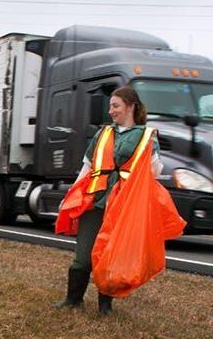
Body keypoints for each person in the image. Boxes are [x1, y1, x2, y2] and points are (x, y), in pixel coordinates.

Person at [54, 86, 163, 316]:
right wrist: (70, 195)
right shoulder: (102, 134)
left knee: (110, 256)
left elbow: (153, 173)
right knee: (83, 257)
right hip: (95, 200)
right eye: (110, 106)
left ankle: (106, 306)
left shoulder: (146, 136)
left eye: (116, 106)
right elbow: (87, 166)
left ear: (131, 106)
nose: (111, 111)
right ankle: (73, 299)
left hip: (122, 205)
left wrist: (152, 152)